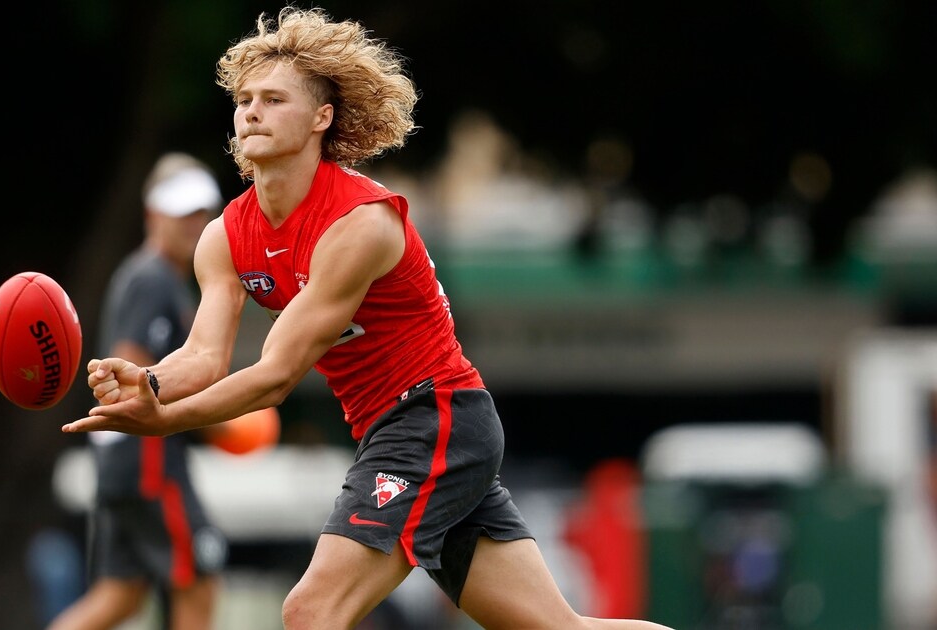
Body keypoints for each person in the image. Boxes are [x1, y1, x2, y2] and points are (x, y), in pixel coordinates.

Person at [63, 8, 675, 630]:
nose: (251, 112)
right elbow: (202, 356)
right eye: (244, 100)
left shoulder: (360, 224)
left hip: (434, 419)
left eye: (274, 100)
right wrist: (150, 382)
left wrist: (163, 420)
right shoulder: (223, 237)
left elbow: (276, 376)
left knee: (311, 610)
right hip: (400, 432)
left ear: (321, 118)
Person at [49, 153, 228, 630]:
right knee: (200, 580)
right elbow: (128, 376)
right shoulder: (154, 279)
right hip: (148, 461)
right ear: (152, 214)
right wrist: (221, 416)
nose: (193, 223)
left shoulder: (147, 276)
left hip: (118, 462)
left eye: (201, 211)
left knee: (120, 596)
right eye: (181, 211)